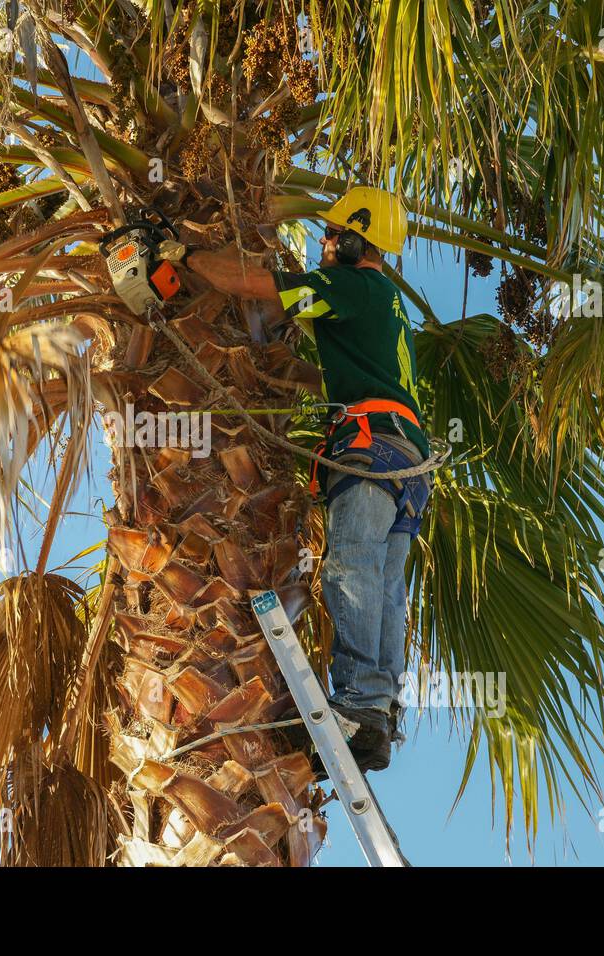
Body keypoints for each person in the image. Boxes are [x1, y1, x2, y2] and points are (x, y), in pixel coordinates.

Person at [168, 187, 432, 772]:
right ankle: (378, 713)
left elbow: (251, 287)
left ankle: (360, 704)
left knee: (351, 568)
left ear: (359, 241)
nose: (324, 242)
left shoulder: (354, 286)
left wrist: (183, 255)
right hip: (407, 462)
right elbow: (329, 347)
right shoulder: (384, 305)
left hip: (371, 449)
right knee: (386, 586)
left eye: (334, 234)